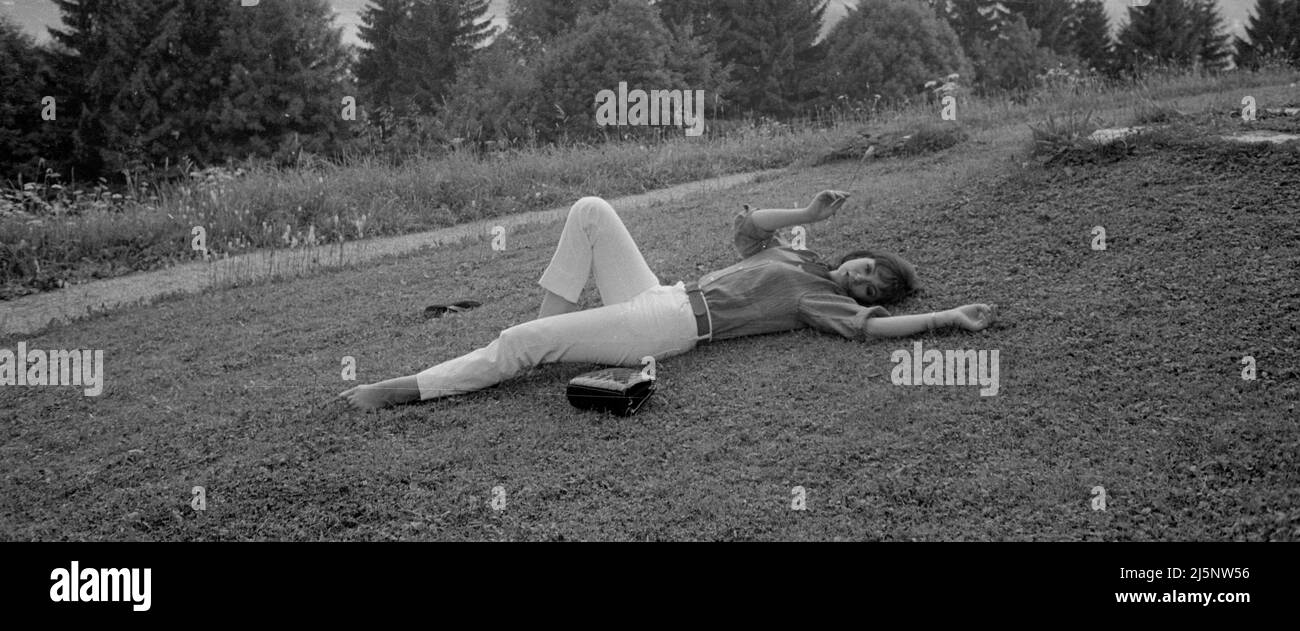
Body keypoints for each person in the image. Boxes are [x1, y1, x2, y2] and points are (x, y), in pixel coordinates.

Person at [339, 190, 995, 410]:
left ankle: (407, 388)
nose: (862, 281)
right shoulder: (799, 256)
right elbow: (748, 227)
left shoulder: (819, 299)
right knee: (591, 209)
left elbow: (871, 330)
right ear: (861, 254)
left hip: (676, 324)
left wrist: (946, 316)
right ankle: (545, 340)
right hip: (663, 293)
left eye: (873, 288)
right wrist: (809, 212)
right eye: (867, 270)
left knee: (516, 342)